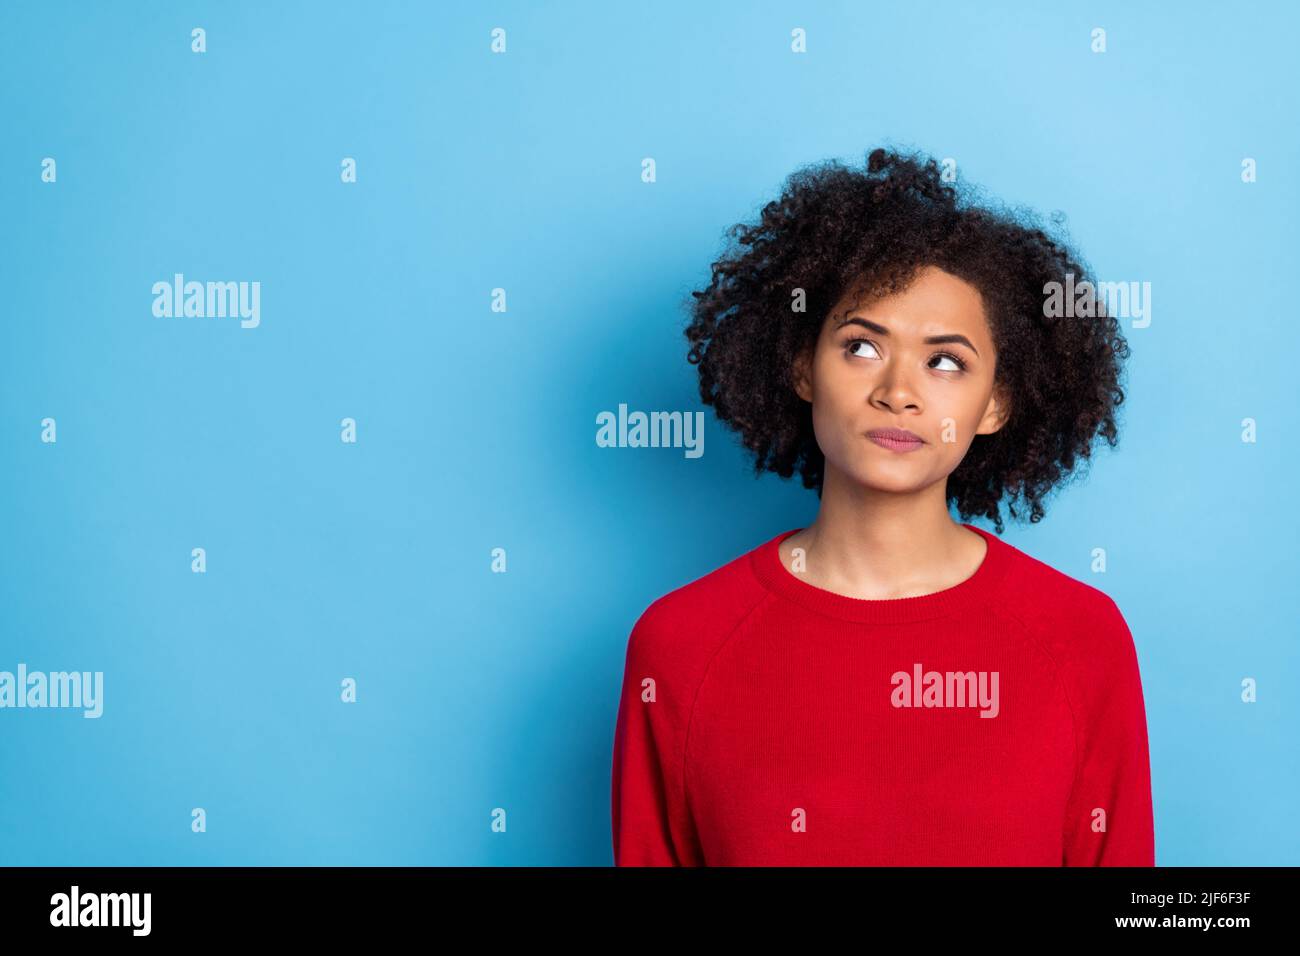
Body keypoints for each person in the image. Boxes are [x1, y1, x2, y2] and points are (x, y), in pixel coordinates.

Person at [610, 147, 1155, 866]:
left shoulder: (1082, 640)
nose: (899, 390)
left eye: (946, 361)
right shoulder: (679, 646)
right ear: (803, 366)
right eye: (862, 347)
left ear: (995, 403)